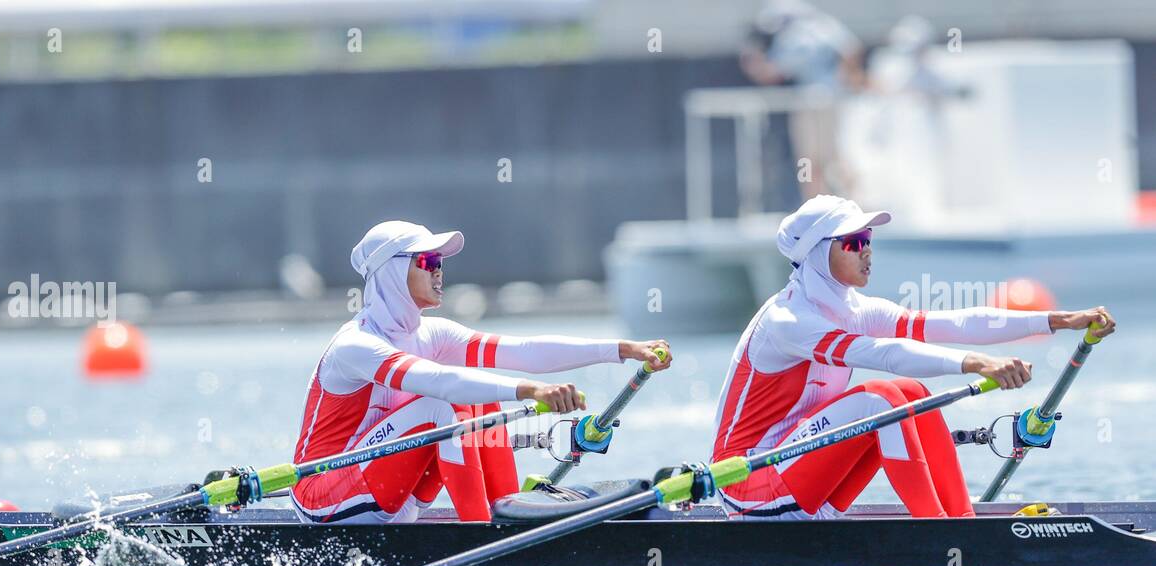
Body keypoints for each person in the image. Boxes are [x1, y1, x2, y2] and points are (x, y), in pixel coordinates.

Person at [708, 195, 1115, 519]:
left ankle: (961, 523)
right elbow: (883, 354)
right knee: (880, 397)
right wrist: (975, 364)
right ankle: (937, 533)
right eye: (853, 243)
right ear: (816, 254)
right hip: (748, 487)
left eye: (868, 240)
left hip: (804, 482)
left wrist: (1059, 320)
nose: (867, 251)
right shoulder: (788, 320)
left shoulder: (853, 309)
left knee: (910, 392)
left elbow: (956, 322)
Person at [291, 220, 671, 524]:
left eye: (441, 263)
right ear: (391, 271)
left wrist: (623, 349)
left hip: (391, 494)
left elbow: (524, 350)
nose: (439, 272)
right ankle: (480, 532)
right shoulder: (355, 346)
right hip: (323, 495)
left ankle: (509, 513)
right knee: (443, 403)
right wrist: (532, 392)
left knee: (483, 392)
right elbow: (438, 382)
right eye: (428, 262)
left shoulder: (433, 333)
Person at [740, 0, 866, 197]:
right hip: (834, 99)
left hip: (810, 103)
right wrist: (845, 78)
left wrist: (751, 59)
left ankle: (814, 201)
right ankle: (852, 199)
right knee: (835, 154)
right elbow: (852, 49)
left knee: (807, 159)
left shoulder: (793, 38)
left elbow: (770, 74)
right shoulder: (827, 25)